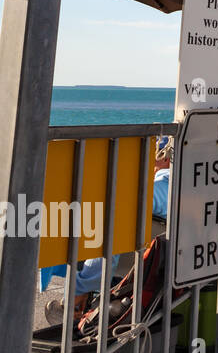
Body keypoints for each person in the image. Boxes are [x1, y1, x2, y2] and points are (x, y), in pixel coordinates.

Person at [42, 136, 172, 325]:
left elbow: (130, 202)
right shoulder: (170, 182)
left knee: (101, 222)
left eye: (153, 154)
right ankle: (82, 299)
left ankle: (78, 298)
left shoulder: (165, 182)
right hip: (149, 256)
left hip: (138, 255)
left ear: (165, 159)